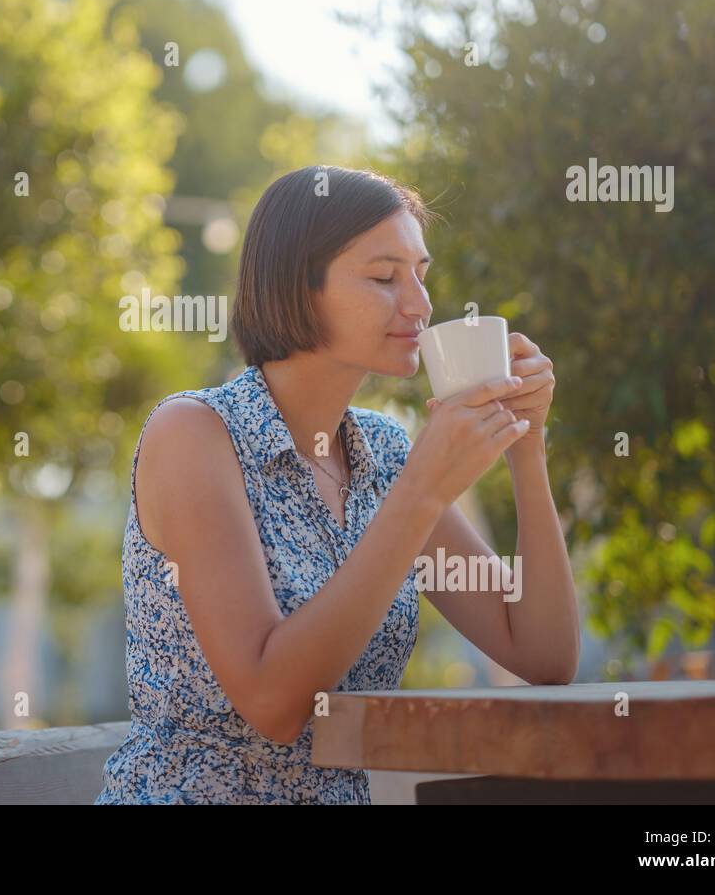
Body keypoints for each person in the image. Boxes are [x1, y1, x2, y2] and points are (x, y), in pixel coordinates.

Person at [94, 165, 577, 804]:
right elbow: (273, 702)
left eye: (421, 275)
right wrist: (423, 494)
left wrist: (526, 443)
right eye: (384, 277)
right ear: (299, 287)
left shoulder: (382, 454)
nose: (420, 305)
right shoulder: (195, 435)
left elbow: (542, 653)